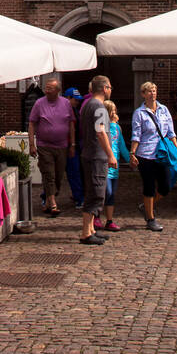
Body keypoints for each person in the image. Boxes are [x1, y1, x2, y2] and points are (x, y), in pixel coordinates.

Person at [130, 82, 177, 232]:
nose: (152, 93)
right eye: (149, 91)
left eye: (154, 90)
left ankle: (145, 206)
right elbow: (136, 135)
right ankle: (150, 218)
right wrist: (132, 153)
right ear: (143, 94)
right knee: (149, 186)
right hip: (145, 153)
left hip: (162, 152)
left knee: (165, 186)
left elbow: (170, 131)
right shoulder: (139, 113)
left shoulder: (164, 110)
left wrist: (175, 146)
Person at [28, 77, 75, 216]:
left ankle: (48, 200)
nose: (47, 90)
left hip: (62, 146)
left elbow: (71, 123)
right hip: (44, 145)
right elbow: (32, 123)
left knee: (59, 175)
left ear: (58, 90)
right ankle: (53, 203)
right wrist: (32, 144)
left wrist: (72, 144)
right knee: (49, 174)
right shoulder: (39, 103)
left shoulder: (66, 103)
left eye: (50, 88)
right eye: (46, 88)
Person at [79, 75, 116, 245]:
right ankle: (86, 232)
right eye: (109, 87)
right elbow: (100, 132)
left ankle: (92, 229)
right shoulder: (99, 107)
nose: (110, 90)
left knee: (92, 190)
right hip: (97, 156)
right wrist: (110, 154)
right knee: (96, 192)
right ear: (104, 88)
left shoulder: (87, 105)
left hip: (88, 154)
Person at [103, 99, 129, 231]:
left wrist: (130, 159)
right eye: (111, 111)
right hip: (105, 166)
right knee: (106, 192)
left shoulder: (117, 128)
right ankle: (95, 216)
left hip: (115, 167)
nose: (114, 113)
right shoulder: (102, 127)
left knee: (112, 194)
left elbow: (122, 146)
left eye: (114, 110)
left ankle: (109, 220)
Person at [63, 87, 85, 209]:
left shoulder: (75, 111)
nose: (77, 102)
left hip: (73, 146)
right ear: (68, 98)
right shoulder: (64, 110)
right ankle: (47, 197)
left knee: (75, 172)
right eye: (75, 100)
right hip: (63, 145)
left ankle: (79, 197)